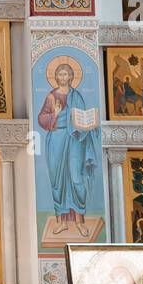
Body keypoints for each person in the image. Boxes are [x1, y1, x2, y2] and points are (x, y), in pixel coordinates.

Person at [36, 62, 98, 237]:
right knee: (57, 181)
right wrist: (54, 114)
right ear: (56, 77)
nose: (63, 77)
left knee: (76, 179)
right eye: (60, 74)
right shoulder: (51, 96)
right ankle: (61, 222)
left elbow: (82, 117)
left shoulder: (76, 96)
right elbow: (42, 119)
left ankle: (79, 221)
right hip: (56, 139)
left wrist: (89, 124)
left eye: (66, 74)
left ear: (71, 77)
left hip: (75, 139)